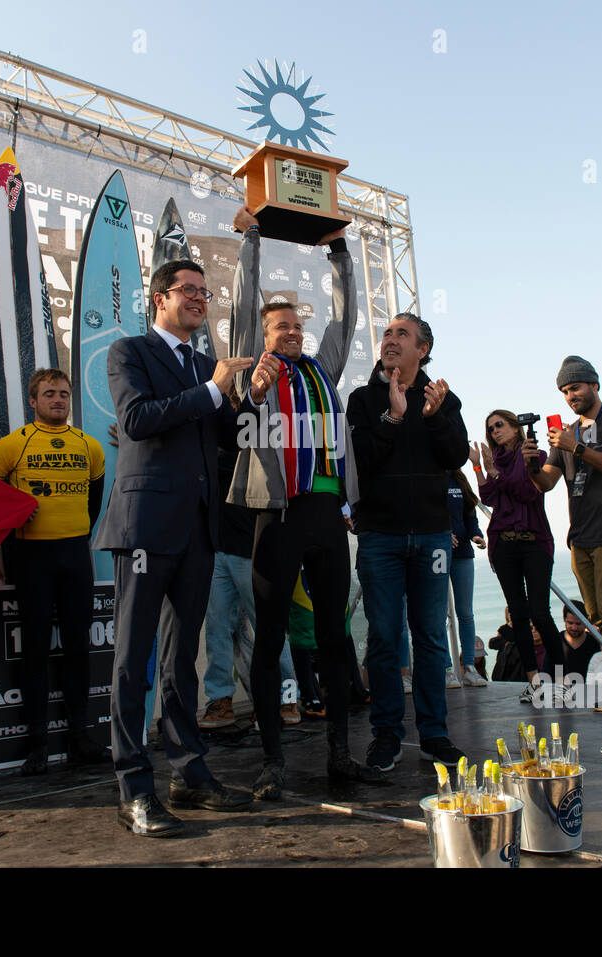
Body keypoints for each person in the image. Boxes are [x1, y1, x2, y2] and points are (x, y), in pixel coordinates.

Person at [94, 258, 254, 837]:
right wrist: (212, 389)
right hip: (145, 525)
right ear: (159, 298)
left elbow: (223, 440)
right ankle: (133, 788)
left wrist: (243, 399)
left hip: (198, 529)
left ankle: (189, 773)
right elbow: (136, 420)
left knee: (181, 659)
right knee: (131, 662)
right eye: (189, 290)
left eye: (205, 293)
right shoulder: (129, 353)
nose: (199, 299)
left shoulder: (207, 366)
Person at [227, 206, 383, 798]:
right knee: (269, 639)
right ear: (262, 339)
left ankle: (340, 754)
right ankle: (273, 762)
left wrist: (340, 254)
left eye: (295, 326)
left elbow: (347, 317)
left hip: (326, 519)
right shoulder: (253, 368)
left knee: (336, 639)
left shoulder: (323, 368)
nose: (291, 333)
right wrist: (250, 237)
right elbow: (243, 305)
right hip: (278, 517)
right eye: (280, 328)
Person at [346, 313, 470, 771]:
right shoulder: (362, 400)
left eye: (402, 334)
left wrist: (434, 418)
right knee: (383, 636)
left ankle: (435, 734)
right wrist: (394, 417)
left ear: (423, 349)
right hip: (380, 536)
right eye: (387, 334)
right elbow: (363, 460)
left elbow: (456, 455)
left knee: (432, 638)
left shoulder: (442, 398)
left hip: (434, 536)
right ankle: (386, 733)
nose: (391, 340)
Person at [0, 368, 109, 774]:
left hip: (74, 555)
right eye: (49, 394)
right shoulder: (10, 446)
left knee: (78, 648)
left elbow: (93, 506)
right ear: (33, 401)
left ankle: (79, 738)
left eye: (64, 394)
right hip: (31, 556)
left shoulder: (90, 447)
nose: (58, 400)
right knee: (35, 650)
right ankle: (36, 745)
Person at [529, 356, 602, 711]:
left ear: (594, 385)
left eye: (576, 387)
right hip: (580, 537)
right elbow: (546, 483)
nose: (571, 395)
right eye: (565, 391)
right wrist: (531, 463)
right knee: (597, 617)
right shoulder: (566, 433)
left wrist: (576, 447)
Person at [196, 440, 298, 732]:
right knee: (217, 628)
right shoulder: (212, 429)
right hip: (219, 551)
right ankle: (220, 700)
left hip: (253, 551)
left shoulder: (260, 429)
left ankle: (288, 698)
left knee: (269, 626)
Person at [470, 410, 564, 703]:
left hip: (534, 540)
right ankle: (534, 682)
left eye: (500, 425)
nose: (495, 431)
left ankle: (560, 681)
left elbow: (528, 492)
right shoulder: (495, 461)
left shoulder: (533, 454)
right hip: (504, 544)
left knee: (540, 612)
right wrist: (479, 470)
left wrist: (495, 474)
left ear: (514, 427)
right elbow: (488, 498)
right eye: (490, 428)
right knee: (518, 616)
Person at [446, 469, 487, 688]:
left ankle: (469, 667)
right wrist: (442, 533)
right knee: (439, 615)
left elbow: (470, 516)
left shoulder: (460, 481)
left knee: (466, 613)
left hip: (462, 554)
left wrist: (477, 535)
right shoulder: (430, 476)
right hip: (437, 553)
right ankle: (445, 669)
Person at [559, 601, 602, 679]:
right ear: (564, 619)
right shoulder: (556, 641)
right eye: (570, 623)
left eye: (578, 624)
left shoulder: (594, 642)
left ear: (586, 621)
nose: (574, 628)